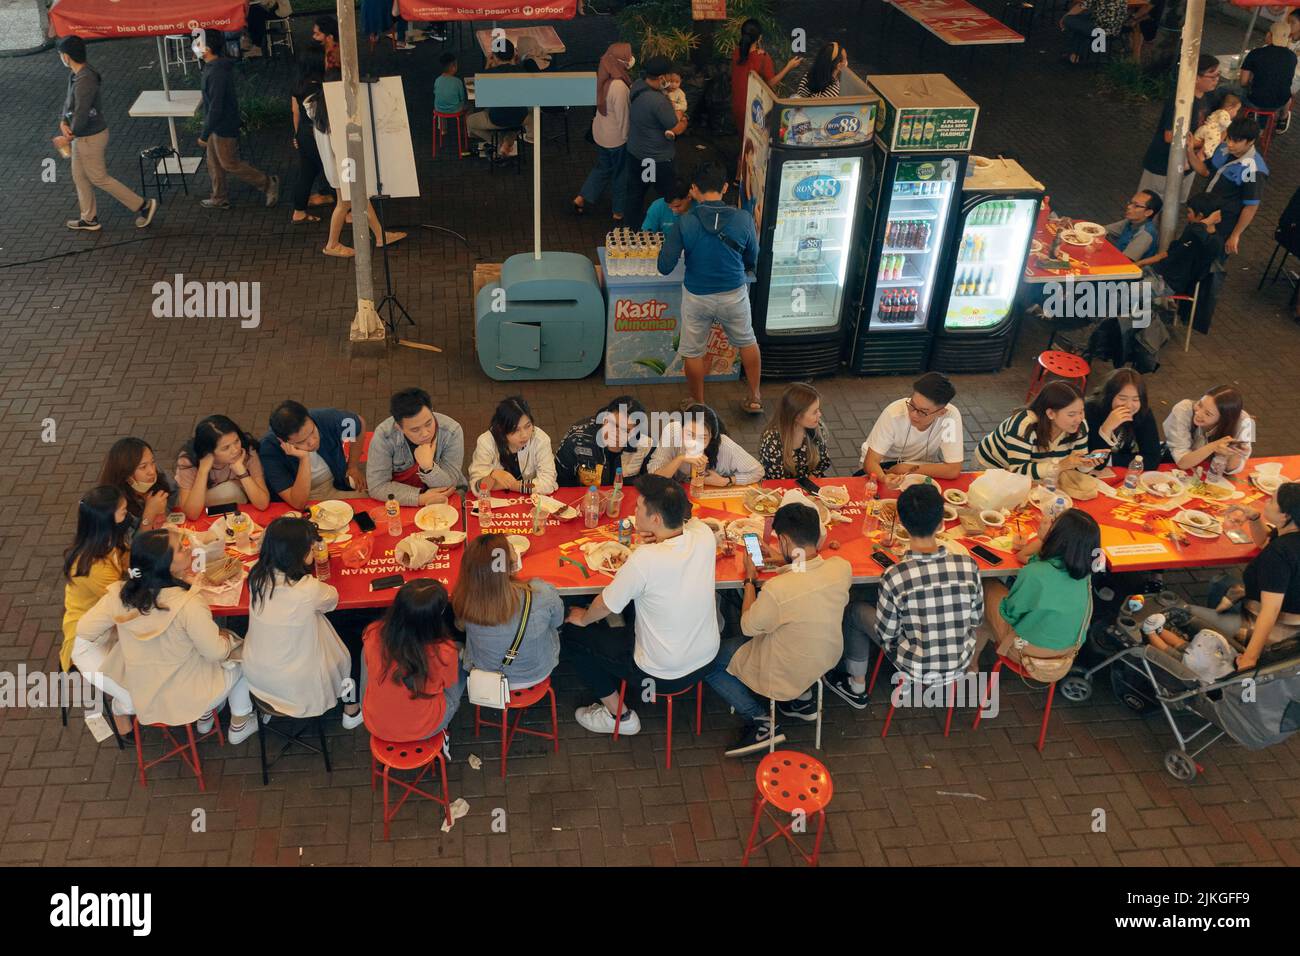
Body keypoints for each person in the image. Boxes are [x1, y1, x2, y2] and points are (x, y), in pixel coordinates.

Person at [564, 475, 721, 735]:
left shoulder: (645, 559)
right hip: (706, 659)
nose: (633, 511)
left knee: (573, 634)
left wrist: (582, 618)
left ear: (656, 519)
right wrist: (661, 538)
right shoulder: (703, 535)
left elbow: (605, 605)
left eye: (637, 508)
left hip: (659, 673)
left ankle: (620, 716)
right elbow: (689, 521)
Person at [74, 530, 257, 743]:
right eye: (181, 548)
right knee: (243, 657)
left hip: (144, 694)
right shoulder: (188, 604)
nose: (188, 547)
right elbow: (216, 652)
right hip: (191, 696)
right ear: (166, 565)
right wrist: (228, 639)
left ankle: (207, 718)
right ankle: (239, 723)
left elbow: (85, 630)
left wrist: (123, 634)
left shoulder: (119, 595)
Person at [708, 503, 851, 756]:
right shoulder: (841, 567)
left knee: (709, 662)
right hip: (825, 658)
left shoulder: (778, 590)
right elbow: (810, 574)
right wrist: (784, 560)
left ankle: (762, 722)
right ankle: (802, 699)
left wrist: (750, 579)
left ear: (784, 540)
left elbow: (747, 626)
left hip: (784, 668)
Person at [825, 484, 984, 707]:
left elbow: (887, 633)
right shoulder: (968, 565)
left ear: (901, 523)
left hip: (916, 665)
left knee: (855, 611)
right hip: (960, 661)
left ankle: (856, 685)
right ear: (941, 523)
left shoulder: (895, 575)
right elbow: (976, 620)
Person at [657, 162, 761, 412]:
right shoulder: (743, 218)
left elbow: (665, 265)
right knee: (747, 341)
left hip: (697, 296)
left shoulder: (685, 222)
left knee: (693, 351)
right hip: (733, 293)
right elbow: (752, 258)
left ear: (693, 189)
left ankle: (698, 402)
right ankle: (755, 397)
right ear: (725, 187)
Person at [242, 517, 361, 726]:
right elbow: (332, 599)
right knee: (351, 646)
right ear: (299, 555)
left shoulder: (256, 577)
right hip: (298, 685)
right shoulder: (307, 589)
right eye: (309, 548)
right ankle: (351, 709)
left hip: (258, 675)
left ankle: (271, 707)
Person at [53, 36, 157, 232]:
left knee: (98, 177)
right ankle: (88, 218)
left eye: (61, 54)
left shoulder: (85, 79)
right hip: (81, 136)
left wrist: (68, 135)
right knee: (79, 176)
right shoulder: (76, 75)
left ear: (66, 56)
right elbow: (70, 103)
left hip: (89, 137)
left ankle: (143, 205)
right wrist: (63, 121)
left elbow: (82, 111)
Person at [306, 68, 406, 257]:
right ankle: (332, 244)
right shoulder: (333, 115)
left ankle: (379, 235)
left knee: (361, 197)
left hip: (335, 166)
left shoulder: (318, 106)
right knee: (344, 203)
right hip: (342, 166)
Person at [978, 509, 1099, 664]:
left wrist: (1046, 539)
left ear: (1058, 537)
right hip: (1067, 654)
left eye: (1054, 523)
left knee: (985, 585)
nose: (1049, 523)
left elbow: (1010, 613)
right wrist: (1046, 539)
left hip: (1026, 654)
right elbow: (1023, 557)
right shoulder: (1084, 573)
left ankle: (973, 662)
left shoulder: (1036, 573)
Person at [451, 533, 564, 691]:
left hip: (487, 675)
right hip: (538, 672)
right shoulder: (541, 592)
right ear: (511, 567)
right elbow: (557, 622)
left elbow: (460, 627)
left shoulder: (463, 597)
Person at [361, 579, 465, 743]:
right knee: (463, 665)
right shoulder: (444, 651)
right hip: (424, 727)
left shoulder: (373, 633)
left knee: (366, 653)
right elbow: (448, 684)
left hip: (376, 723)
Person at [1214, 484, 1300, 669]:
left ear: (1286, 515)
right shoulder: (1290, 532)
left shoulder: (1279, 554)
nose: (1266, 501)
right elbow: (1263, 542)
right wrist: (1254, 517)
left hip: (1277, 631)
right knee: (1221, 584)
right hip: (1292, 617)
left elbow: (1271, 610)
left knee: (1189, 609)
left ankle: (1222, 648)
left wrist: (1250, 658)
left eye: (1271, 500)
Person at [196, 30, 279, 211]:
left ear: (207, 49)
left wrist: (204, 134)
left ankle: (267, 183)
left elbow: (216, 106)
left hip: (223, 126)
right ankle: (219, 197)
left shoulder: (215, 72)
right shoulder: (214, 67)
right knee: (214, 161)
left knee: (229, 163)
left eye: (199, 44)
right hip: (217, 124)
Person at [61, 487, 129, 693]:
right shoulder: (94, 566)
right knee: (129, 693)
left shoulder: (107, 541)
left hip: (109, 625)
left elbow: (127, 562)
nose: (128, 514)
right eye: (123, 511)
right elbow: (122, 602)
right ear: (107, 519)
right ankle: (123, 718)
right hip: (90, 639)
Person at [1138, 54, 1221, 204]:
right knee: (1147, 206)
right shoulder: (1180, 100)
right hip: (1163, 165)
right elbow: (1170, 136)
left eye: (1218, 75)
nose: (1216, 80)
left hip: (1188, 166)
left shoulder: (1210, 97)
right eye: (1212, 76)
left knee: (1173, 206)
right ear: (1196, 77)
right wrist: (1202, 143)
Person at [366, 387, 467, 506]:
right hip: (403, 499)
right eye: (415, 429)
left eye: (429, 423)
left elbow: (448, 485)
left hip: (446, 495)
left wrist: (428, 468)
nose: (425, 433)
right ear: (399, 427)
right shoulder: (384, 436)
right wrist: (420, 498)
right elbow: (377, 486)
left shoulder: (452, 431)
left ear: (432, 411)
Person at [258, 401, 368, 508]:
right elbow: (298, 503)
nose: (312, 442)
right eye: (301, 441)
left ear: (310, 418)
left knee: (367, 504)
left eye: (312, 431)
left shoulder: (325, 418)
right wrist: (304, 458)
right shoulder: (269, 450)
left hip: (337, 483)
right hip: (304, 497)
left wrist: (353, 467)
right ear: (282, 441)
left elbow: (359, 423)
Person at [1185, 116, 1267, 258]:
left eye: (1236, 141)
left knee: (1208, 263)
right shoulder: (1222, 149)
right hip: (1204, 213)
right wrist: (1190, 151)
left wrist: (1235, 235)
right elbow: (1205, 171)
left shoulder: (1253, 169)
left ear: (1251, 141)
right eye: (1229, 138)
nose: (1230, 144)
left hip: (1223, 224)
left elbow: (1251, 207)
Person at [859, 372, 964, 482]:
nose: (913, 414)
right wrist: (884, 478)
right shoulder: (894, 414)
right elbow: (870, 462)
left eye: (922, 412)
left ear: (941, 412)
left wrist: (905, 469)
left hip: (920, 466)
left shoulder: (949, 419)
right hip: (884, 465)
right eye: (912, 404)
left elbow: (953, 470)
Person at [976, 382, 1091, 479]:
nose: (1079, 418)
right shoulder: (1023, 426)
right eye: (1071, 414)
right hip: (992, 467)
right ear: (1050, 413)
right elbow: (1018, 471)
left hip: (1037, 471)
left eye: (1081, 411)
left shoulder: (1079, 425)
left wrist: (1086, 463)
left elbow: (1077, 466)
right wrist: (1060, 466)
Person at [624, 56, 688, 224]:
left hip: (636, 153)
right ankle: (665, 227)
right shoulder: (659, 102)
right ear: (661, 78)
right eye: (668, 76)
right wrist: (684, 121)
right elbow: (675, 127)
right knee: (667, 193)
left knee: (636, 193)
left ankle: (632, 229)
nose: (670, 80)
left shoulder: (637, 85)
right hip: (656, 159)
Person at [574, 42, 634, 220]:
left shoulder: (603, 77)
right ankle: (618, 211)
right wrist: (627, 140)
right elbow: (623, 118)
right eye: (628, 56)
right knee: (620, 175)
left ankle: (581, 198)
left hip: (600, 134)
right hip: (616, 139)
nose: (631, 59)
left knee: (602, 168)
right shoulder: (620, 87)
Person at [175, 415, 270, 519]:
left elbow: (263, 504)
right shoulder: (189, 460)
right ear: (209, 452)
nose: (235, 450)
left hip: (236, 507)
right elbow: (192, 514)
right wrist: (202, 471)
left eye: (236, 441)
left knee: (229, 490)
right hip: (203, 510)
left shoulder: (246, 450)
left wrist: (242, 472)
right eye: (226, 448)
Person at [649, 402, 763, 485]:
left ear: (712, 436)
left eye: (702, 437)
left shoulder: (724, 445)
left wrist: (726, 480)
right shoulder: (672, 432)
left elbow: (758, 471)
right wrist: (680, 458)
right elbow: (654, 477)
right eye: (689, 434)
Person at [1134, 193, 1222, 299]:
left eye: (1189, 212)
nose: (1187, 216)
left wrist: (1207, 221)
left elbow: (1198, 231)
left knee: (1124, 294)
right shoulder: (1192, 230)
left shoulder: (1212, 242)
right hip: (1156, 272)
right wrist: (1141, 262)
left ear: (1200, 216)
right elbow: (1170, 252)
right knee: (1119, 282)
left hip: (1168, 284)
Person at [554, 395, 655, 488]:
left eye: (626, 430)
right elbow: (562, 480)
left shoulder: (646, 445)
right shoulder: (577, 439)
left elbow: (650, 482)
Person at [468, 396, 558, 495]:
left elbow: (548, 483)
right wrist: (492, 474)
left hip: (530, 501)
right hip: (495, 501)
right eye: (516, 429)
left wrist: (512, 485)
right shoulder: (486, 442)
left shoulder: (540, 440)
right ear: (502, 429)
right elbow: (477, 487)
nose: (524, 435)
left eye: (527, 426)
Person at [1162, 385, 1253, 474]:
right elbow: (1182, 462)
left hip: (1211, 471)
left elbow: (1231, 470)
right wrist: (1214, 446)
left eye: (1208, 414)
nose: (1198, 413)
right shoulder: (1183, 409)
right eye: (1200, 404)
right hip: (1174, 464)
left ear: (1223, 419)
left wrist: (1235, 454)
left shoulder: (1245, 422)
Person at [730, 18, 801, 131]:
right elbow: (771, 83)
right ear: (759, 38)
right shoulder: (763, 58)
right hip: (754, 109)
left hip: (737, 106)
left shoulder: (736, 53)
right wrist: (789, 66)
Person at [98, 437, 178, 537]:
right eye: (143, 467)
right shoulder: (116, 504)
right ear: (126, 474)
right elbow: (131, 546)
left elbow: (176, 496)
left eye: (152, 462)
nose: (152, 471)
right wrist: (149, 514)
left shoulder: (158, 473)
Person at [289, 51, 335, 224]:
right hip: (318, 134)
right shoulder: (320, 88)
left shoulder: (298, 85)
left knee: (306, 173)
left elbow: (295, 112)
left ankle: (299, 212)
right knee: (332, 169)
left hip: (303, 135)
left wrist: (296, 135)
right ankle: (346, 211)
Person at [1084, 369, 1162, 469]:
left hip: (1118, 471)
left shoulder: (1142, 411)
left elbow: (1153, 459)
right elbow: (1093, 461)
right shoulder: (1091, 409)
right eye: (1122, 398)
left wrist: (1110, 460)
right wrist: (1106, 429)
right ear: (1109, 396)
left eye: (1136, 399)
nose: (1129, 406)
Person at [467, 39, 531, 160]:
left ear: (494, 56)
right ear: (514, 54)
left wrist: (487, 65)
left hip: (497, 118)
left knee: (470, 122)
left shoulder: (488, 74)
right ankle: (509, 139)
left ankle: (499, 143)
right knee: (515, 125)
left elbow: (481, 100)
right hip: (520, 116)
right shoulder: (522, 71)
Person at [758, 383, 832, 480]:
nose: (820, 414)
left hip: (808, 484)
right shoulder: (772, 441)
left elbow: (823, 461)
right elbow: (777, 481)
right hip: (781, 488)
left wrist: (812, 477)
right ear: (796, 416)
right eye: (814, 412)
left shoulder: (816, 427)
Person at [1241, 21, 1297, 129]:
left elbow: (1243, 82)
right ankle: (1264, 125)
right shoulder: (1292, 57)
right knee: (1269, 91)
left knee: (1225, 90)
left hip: (1255, 101)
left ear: (1270, 35)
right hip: (1280, 102)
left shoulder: (1255, 53)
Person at [1059, 0, 1128, 65]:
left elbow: (1082, 5)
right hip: (1116, 30)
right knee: (1083, 19)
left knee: (1069, 20)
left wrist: (1064, 18)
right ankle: (1075, 54)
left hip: (1099, 30)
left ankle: (1074, 54)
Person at [1104, 189, 1162, 261]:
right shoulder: (1131, 221)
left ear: (1148, 212)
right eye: (1130, 203)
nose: (1129, 207)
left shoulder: (1145, 234)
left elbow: (1124, 262)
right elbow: (1102, 230)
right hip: (1116, 258)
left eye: (1136, 206)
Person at [433, 54, 469, 157]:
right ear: (453, 67)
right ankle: (468, 130)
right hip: (455, 110)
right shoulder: (457, 82)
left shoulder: (437, 80)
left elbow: (435, 93)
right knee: (469, 105)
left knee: (442, 103)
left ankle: (443, 128)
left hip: (438, 110)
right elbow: (462, 99)